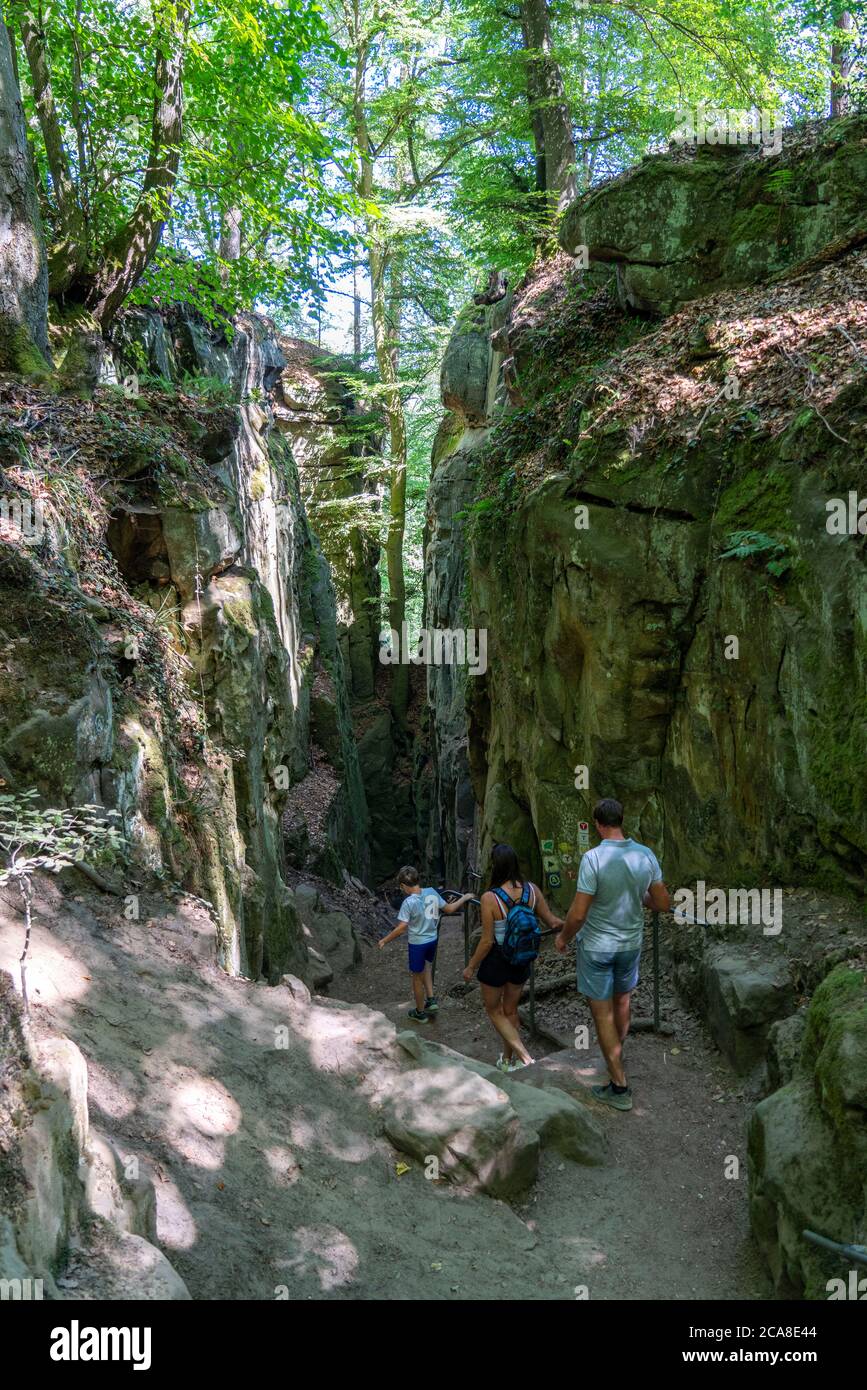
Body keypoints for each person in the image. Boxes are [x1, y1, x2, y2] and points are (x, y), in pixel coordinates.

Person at [556, 798, 670, 1110]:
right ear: (622, 820)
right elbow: (661, 903)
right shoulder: (645, 855)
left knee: (602, 1012)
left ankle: (619, 1085)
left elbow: (578, 914)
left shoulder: (593, 859)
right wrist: (637, 895)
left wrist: (564, 937)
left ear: (598, 824)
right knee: (623, 1002)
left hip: (596, 948)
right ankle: (615, 1055)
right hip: (630, 944)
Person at [463, 843, 562, 1071]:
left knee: (494, 1011)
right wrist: (573, 927)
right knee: (510, 1011)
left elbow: (487, 940)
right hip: (522, 959)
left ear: (495, 866)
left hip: (498, 959)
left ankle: (525, 1058)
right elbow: (553, 922)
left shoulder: (490, 898)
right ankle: (507, 1062)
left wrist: (471, 966)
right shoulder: (532, 891)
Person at [379, 865, 472, 1022]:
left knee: (416, 978)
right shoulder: (431, 892)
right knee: (427, 967)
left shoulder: (408, 902)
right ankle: (431, 1000)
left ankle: (420, 1012)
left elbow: (401, 928)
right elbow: (449, 909)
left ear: (403, 886)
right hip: (432, 940)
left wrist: (384, 940)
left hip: (418, 944)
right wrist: (464, 898)